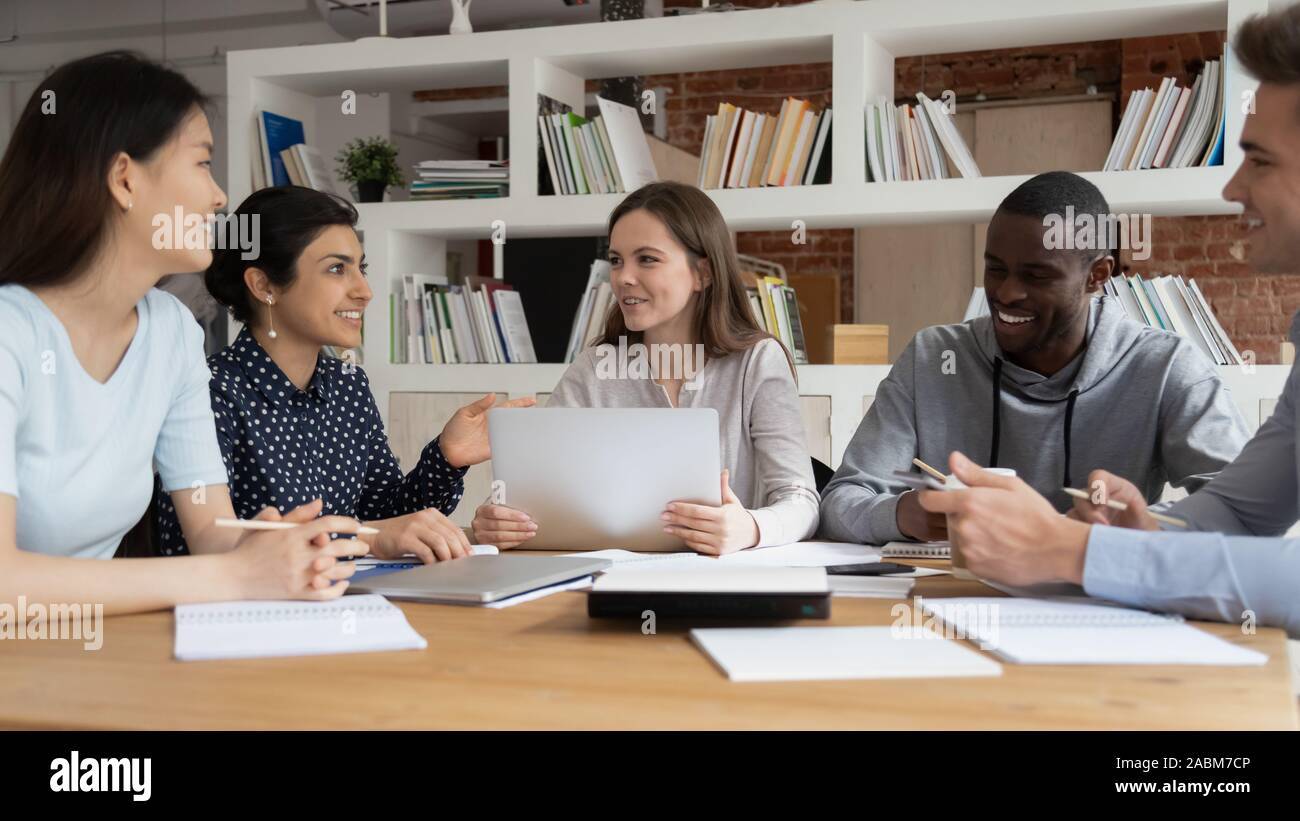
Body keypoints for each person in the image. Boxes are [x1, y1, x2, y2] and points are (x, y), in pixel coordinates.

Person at [918, 4, 1300, 638]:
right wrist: (1148, 530)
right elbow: (1238, 508)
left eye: (1259, 160)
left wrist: (1072, 551)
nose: (1233, 188)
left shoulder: (1164, 361)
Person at [0, 51, 365, 614]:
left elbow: (212, 533)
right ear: (124, 178)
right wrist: (234, 576)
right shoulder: (11, 333)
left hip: (75, 663)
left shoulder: (170, 332)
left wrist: (267, 547)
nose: (219, 197)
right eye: (201, 164)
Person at [820, 171, 1249, 545]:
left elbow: (1240, 514)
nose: (1006, 293)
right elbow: (841, 502)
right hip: (950, 605)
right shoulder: (933, 357)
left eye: (1036, 275)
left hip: (1097, 613)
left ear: (1097, 276)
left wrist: (1123, 528)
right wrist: (904, 514)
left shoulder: (1167, 367)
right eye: (996, 269)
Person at [153, 185, 533, 563]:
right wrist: (368, 536)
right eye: (337, 269)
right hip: (257, 613)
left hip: (346, 599)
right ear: (265, 285)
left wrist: (446, 459)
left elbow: (385, 515)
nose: (364, 291)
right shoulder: (209, 390)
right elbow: (190, 547)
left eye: (360, 267)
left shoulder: (348, 383)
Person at [471, 182, 819, 554]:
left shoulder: (757, 362)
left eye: (647, 259)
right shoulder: (594, 367)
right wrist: (497, 522)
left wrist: (750, 527)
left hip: (722, 582)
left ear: (704, 273)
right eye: (617, 260)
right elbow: (541, 497)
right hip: (609, 579)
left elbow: (801, 501)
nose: (623, 278)